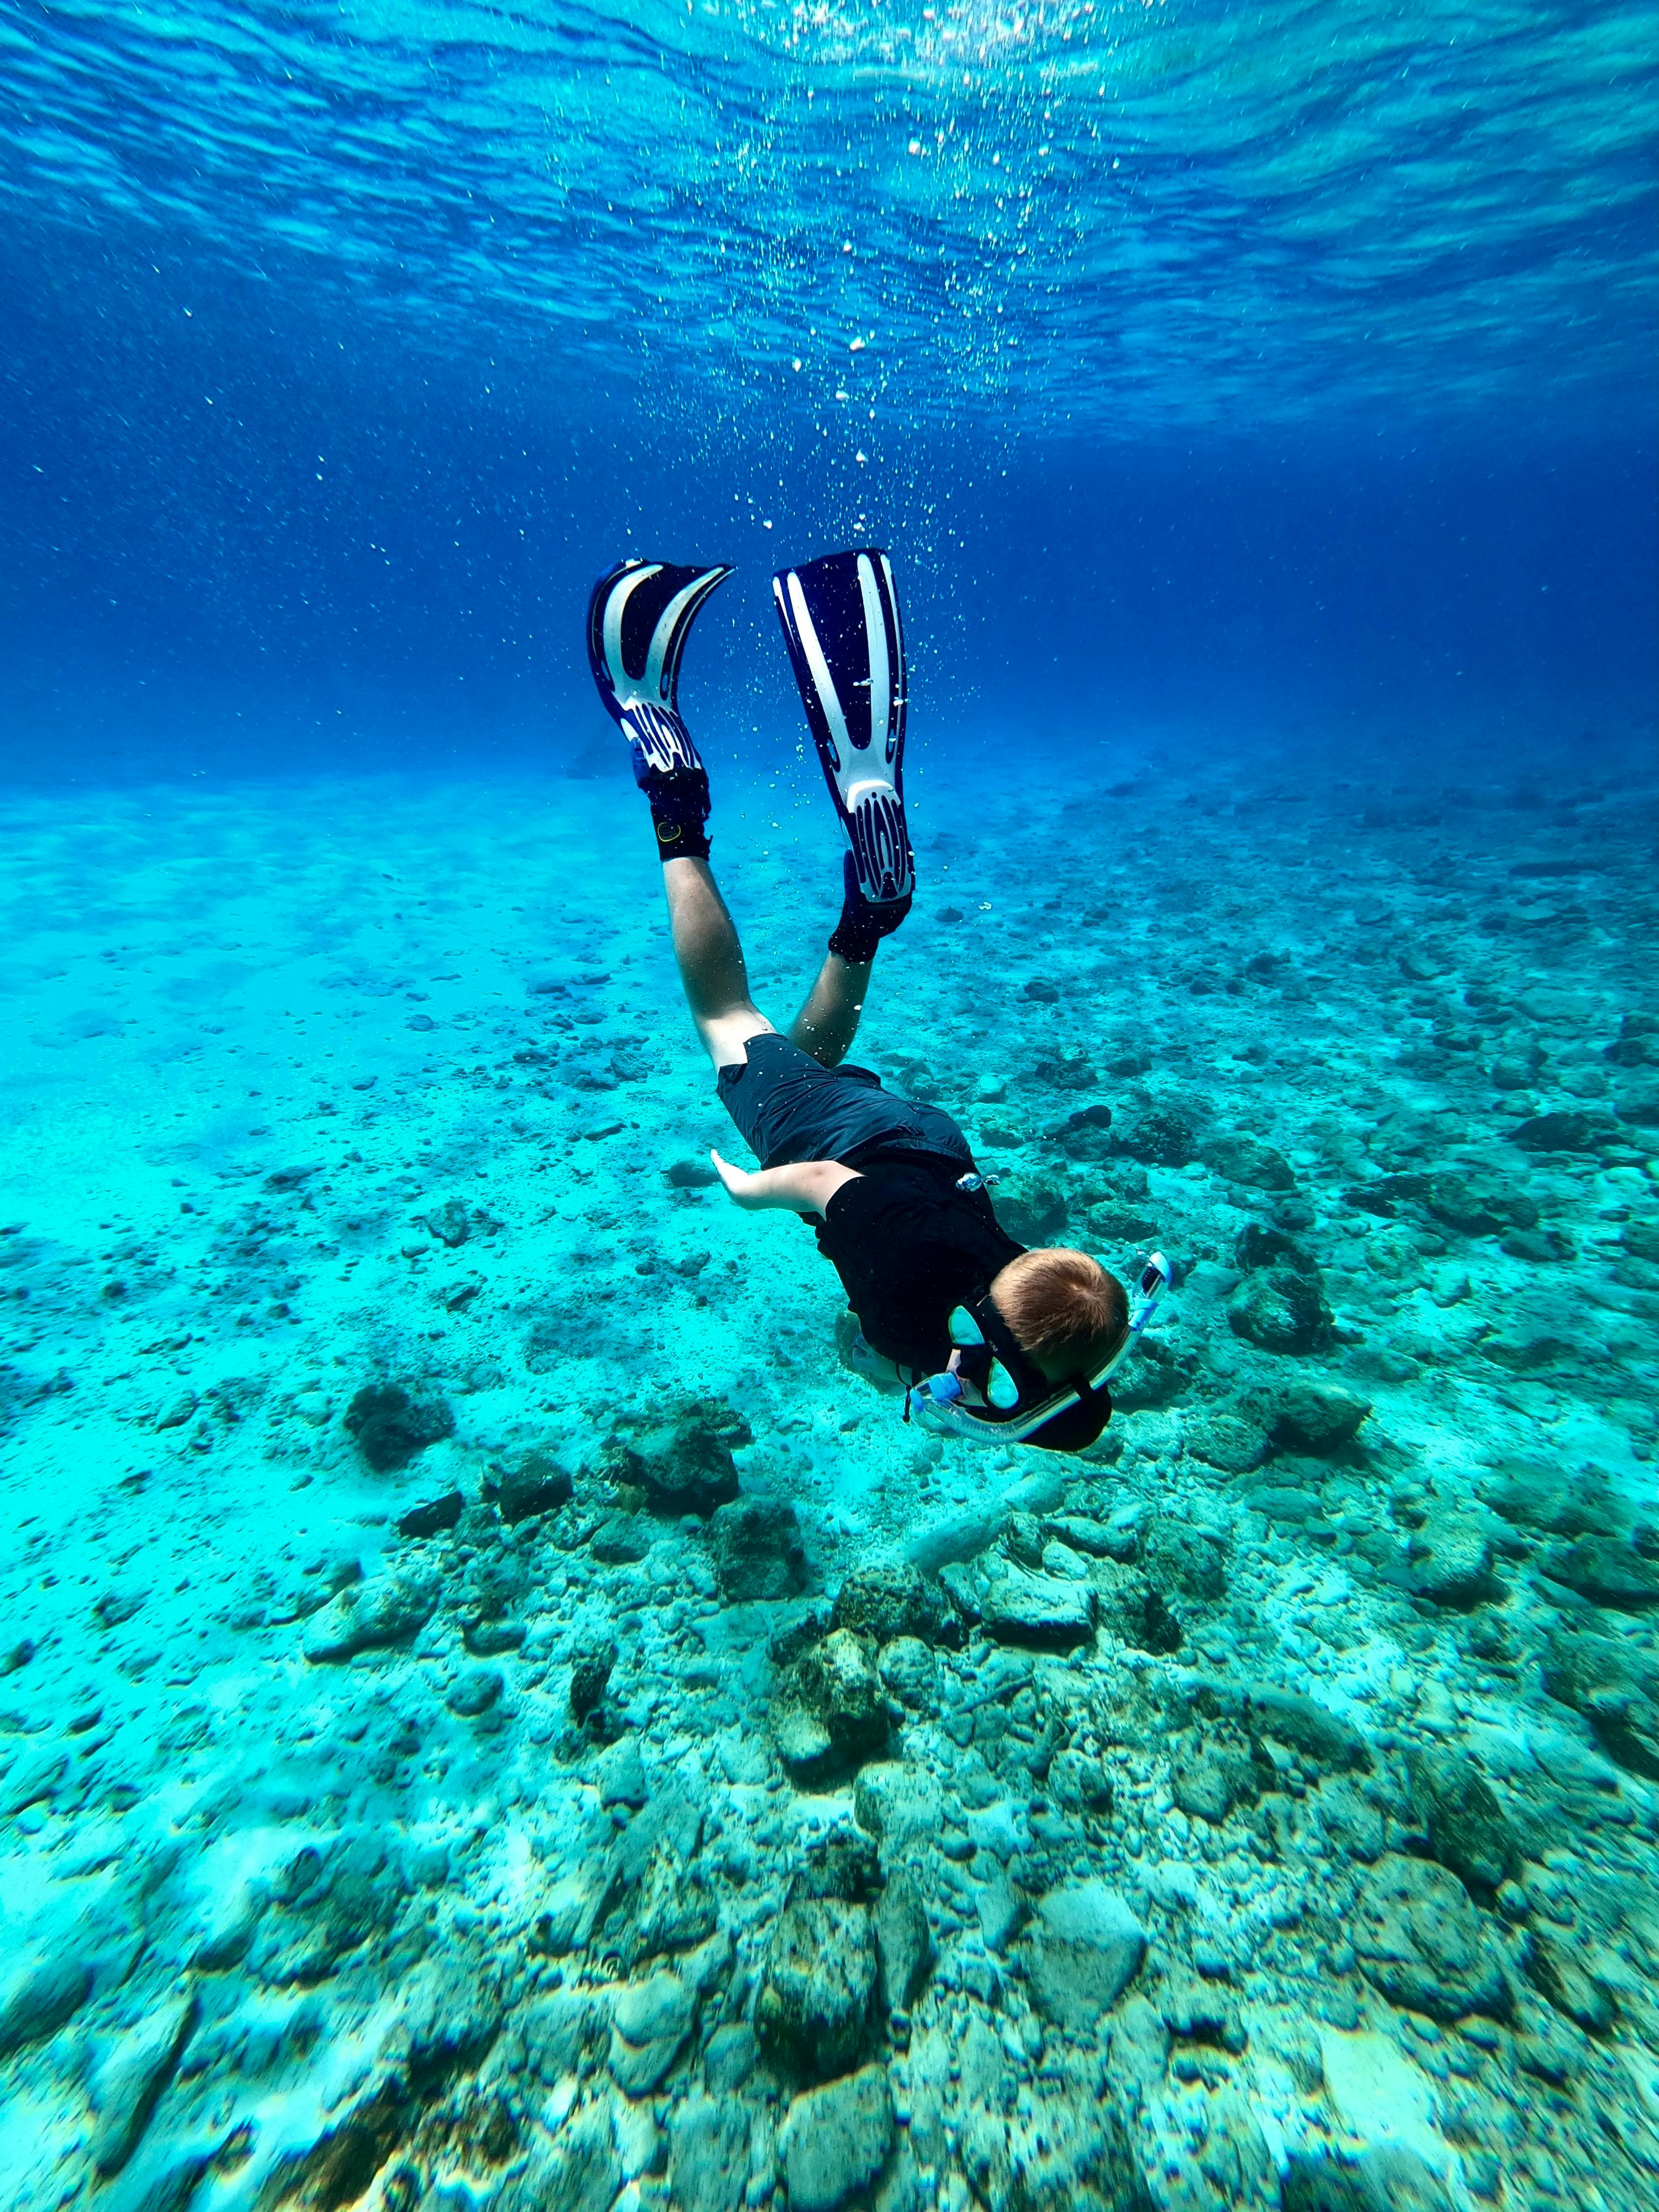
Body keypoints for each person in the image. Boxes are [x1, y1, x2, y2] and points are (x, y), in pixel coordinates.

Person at [585, 547, 1158, 1453]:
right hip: (837, 1157)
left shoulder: (1017, 1283)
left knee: (804, 1064)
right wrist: (750, 1192)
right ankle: (675, 802)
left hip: (925, 1144)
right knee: (730, 1023)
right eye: (1003, 1405)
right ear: (992, 1365)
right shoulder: (906, 1318)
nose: (980, 1411)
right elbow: (822, 1187)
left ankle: (867, 918)